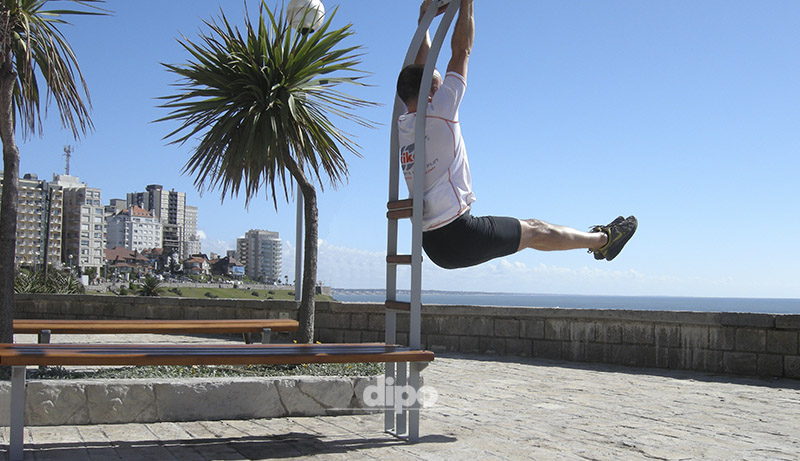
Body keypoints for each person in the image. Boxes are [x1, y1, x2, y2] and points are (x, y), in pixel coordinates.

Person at [396, 0, 637, 270]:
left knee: (533, 232)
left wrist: (424, 22)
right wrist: (467, 3)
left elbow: (419, 72)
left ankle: (601, 240)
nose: (442, 91)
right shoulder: (440, 110)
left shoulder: (404, 124)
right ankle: (604, 240)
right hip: (459, 234)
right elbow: (461, 51)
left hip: (431, 243)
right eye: (438, 87)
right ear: (431, 92)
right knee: (536, 229)